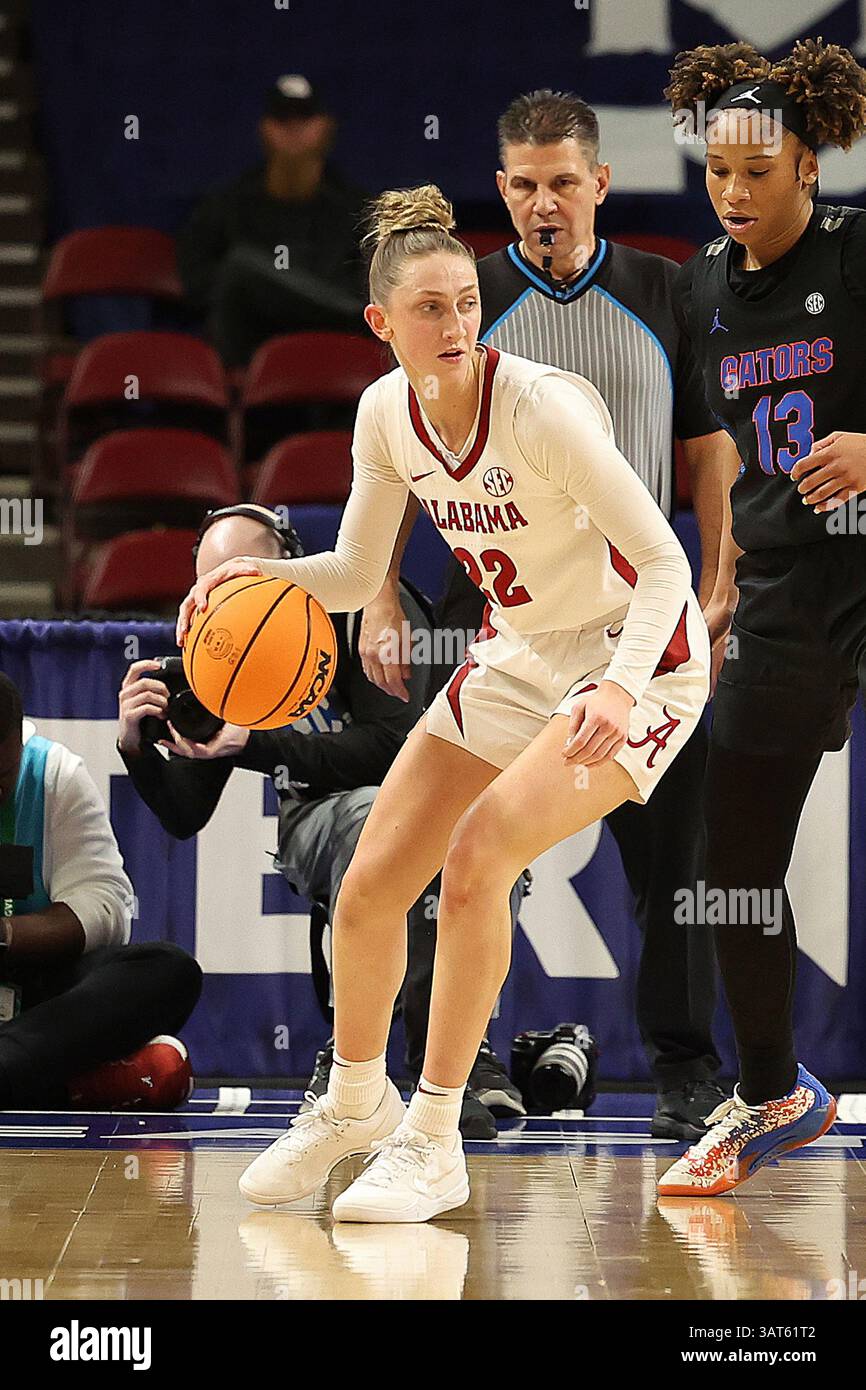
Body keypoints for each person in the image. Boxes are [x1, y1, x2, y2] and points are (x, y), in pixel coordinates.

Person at [177, 183, 710, 1224]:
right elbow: (352, 571)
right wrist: (252, 583)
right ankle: (352, 1101)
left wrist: (615, 682)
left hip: (637, 657)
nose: (456, 324)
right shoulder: (385, 412)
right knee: (375, 876)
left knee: (475, 861)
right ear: (380, 324)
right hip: (518, 653)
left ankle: (432, 1135)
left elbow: (662, 563)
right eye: (430, 308)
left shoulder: (539, 407)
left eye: (466, 302)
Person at [360, 89, 728, 1140]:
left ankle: (684, 1070)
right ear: (500, 191)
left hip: (636, 612)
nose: (541, 203)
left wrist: (718, 579)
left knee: (675, 866)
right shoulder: (460, 301)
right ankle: (466, 1067)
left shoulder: (663, 288)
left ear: (598, 184)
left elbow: (707, 451)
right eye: (520, 185)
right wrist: (378, 591)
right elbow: (392, 457)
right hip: (504, 620)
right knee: (463, 852)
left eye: (561, 182)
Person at [119, 502, 520, 1138]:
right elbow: (183, 814)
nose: (219, 601)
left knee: (460, 829)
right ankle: (363, 1069)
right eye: (207, 588)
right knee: (374, 825)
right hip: (322, 818)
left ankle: (447, 1065)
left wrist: (253, 743)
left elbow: (395, 751)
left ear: (288, 564)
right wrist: (136, 750)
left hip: (417, 803)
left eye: (237, 580)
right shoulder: (223, 647)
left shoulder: (370, 609)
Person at [658, 37, 866, 1196]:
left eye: (755, 172)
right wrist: (722, 576)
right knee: (730, 858)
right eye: (715, 173)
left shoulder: (860, 249)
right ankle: (772, 1090)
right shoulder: (698, 286)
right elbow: (728, 448)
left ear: (808, 166)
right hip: (789, 586)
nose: (732, 193)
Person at [0, 672, 201, 1110]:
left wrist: (6, 934)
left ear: (17, 740)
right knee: (159, 1067)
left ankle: (22, 1069)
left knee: (167, 969)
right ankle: (64, 1081)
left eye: (2, 777)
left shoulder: (53, 774)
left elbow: (105, 906)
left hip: (36, 996)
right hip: (33, 1031)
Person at [176, 75, 365, 366]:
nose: (293, 128)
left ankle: (350, 312)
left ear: (326, 126)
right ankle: (351, 311)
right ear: (264, 129)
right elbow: (200, 282)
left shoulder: (356, 207)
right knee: (239, 268)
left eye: (304, 117)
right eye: (282, 119)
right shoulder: (227, 205)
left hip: (335, 340)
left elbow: (370, 280)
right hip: (252, 345)